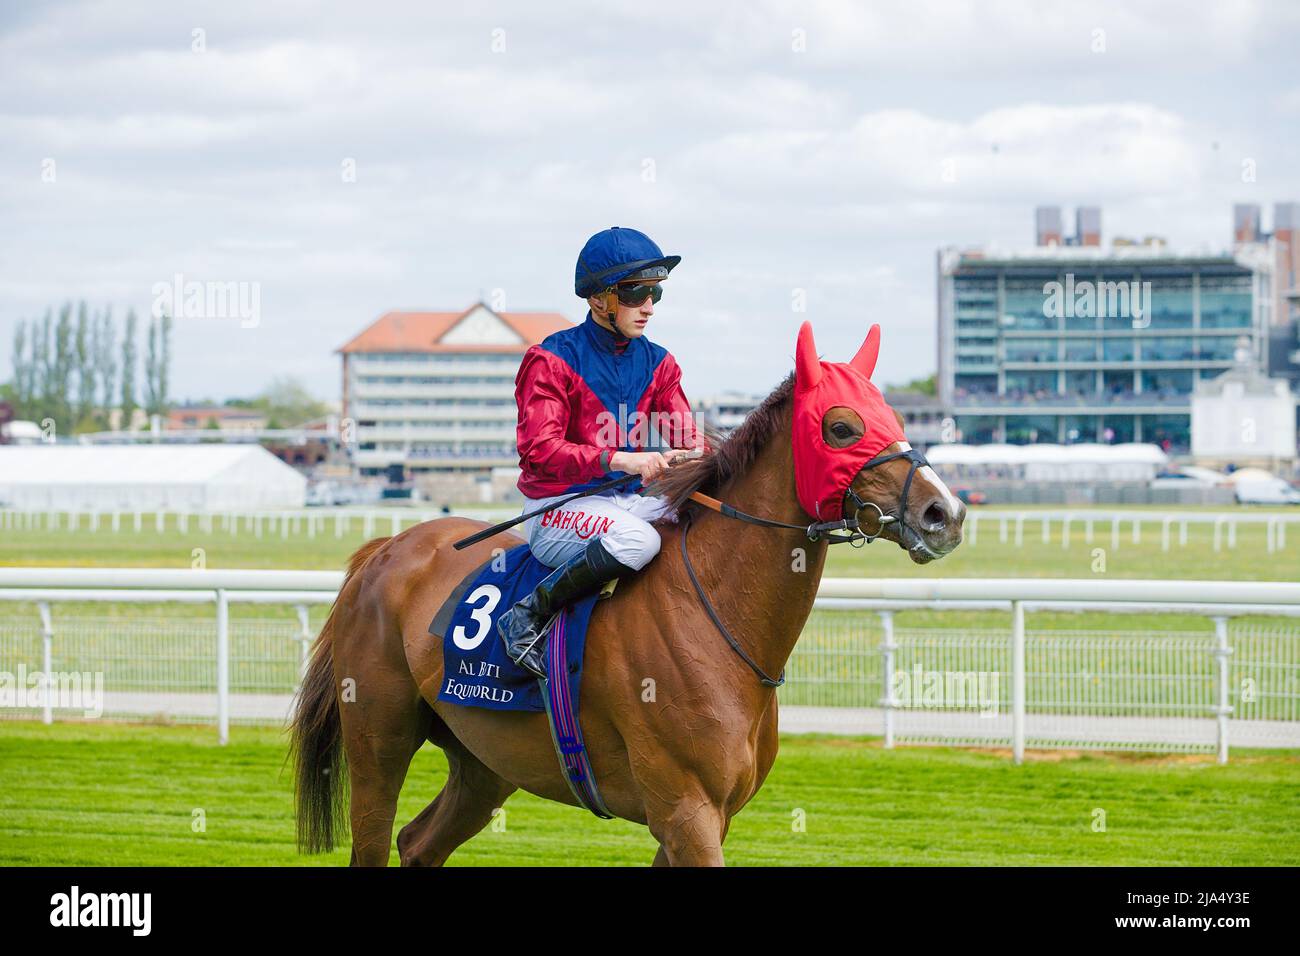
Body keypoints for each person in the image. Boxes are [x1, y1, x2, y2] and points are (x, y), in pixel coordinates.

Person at [497, 226, 705, 678]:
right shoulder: (550, 360)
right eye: (636, 292)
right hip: (557, 506)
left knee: (702, 521)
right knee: (640, 540)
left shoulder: (660, 362)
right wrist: (620, 459)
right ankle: (526, 616)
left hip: (626, 501)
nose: (648, 305)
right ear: (599, 299)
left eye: (656, 293)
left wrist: (695, 454)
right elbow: (539, 449)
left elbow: (687, 436)